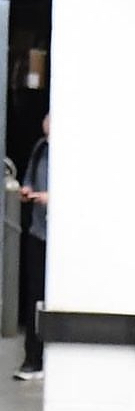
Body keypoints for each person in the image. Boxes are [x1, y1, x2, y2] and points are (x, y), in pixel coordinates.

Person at [14, 112, 50, 383]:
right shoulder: (40, 147)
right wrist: (27, 190)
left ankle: (42, 357)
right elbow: (29, 176)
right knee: (34, 294)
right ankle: (32, 358)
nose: (46, 123)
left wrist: (51, 197)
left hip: (57, 239)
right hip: (38, 231)